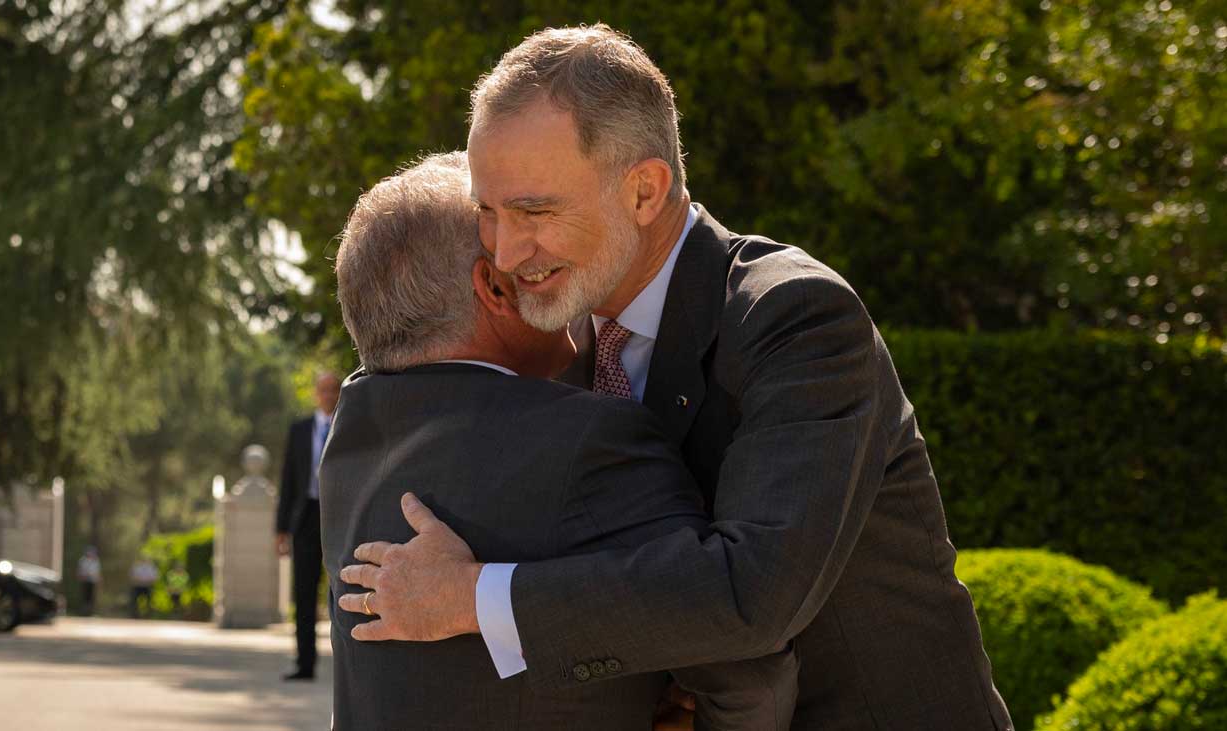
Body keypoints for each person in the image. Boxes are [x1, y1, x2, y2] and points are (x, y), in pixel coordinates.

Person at [338, 25, 1014, 730]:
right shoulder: (560, 352)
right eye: (487, 211)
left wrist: (472, 597)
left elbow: (750, 595)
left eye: (535, 211)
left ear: (644, 190)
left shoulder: (797, 318)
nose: (505, 251)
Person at [322, 152, 789, 730]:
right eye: (523, 255)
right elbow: (746, 673)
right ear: (493, 285)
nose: (546, 266)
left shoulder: (348, 443)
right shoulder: (589, 437)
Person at [276, 370, 341, 680]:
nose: (329, 395)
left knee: (344, 592)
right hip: (305, 519)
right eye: (324, 390)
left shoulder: (350, 425)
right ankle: (305, 664)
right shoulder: (299, 430)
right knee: (303, 594)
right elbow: (287, 480)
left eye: (334, 389)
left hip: (340, 520)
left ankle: (348, 666)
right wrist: (281, 529)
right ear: (316, 393)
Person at [75, 546, 101, 616]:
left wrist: (98, 579)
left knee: (91, 597)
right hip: (85, 581)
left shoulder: (96, 561)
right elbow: (80, 571)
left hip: (92, 581)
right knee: (85, 596)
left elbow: (97, 572)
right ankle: (83, 612)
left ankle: (90, 613)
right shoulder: (83, 560)